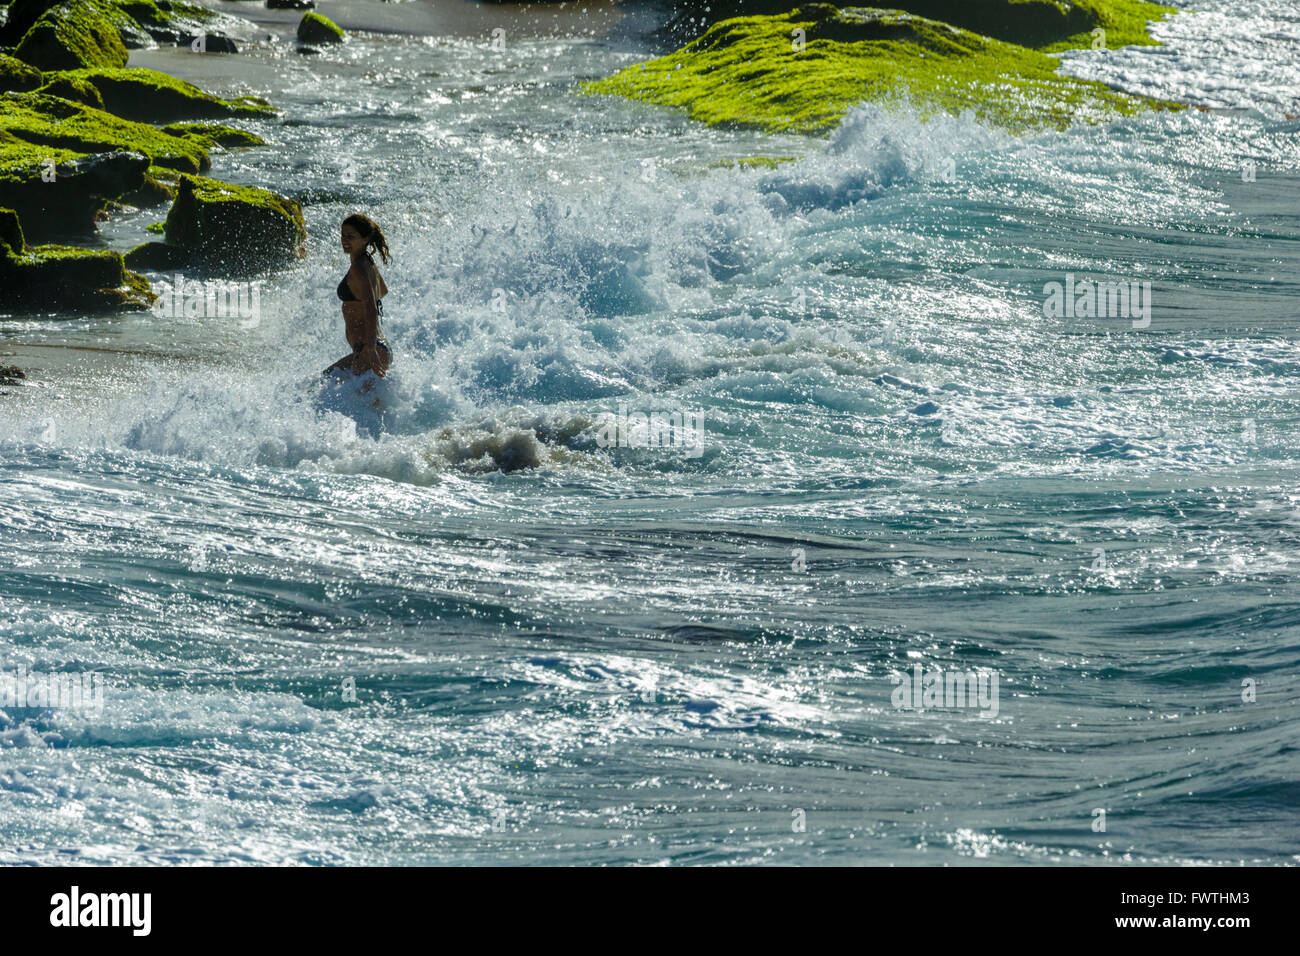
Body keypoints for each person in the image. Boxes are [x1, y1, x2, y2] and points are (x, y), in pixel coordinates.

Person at [324, 213, 392, 378]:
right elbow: (382, 291)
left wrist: (369, 349)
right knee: (328, 380)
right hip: (376, 348)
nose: (344, 240)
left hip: (369, 350)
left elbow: (371, 308)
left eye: (351, 236)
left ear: (365, 238)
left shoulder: (359, 269)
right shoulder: (367, 263)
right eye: (343, 236)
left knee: (326, 382)